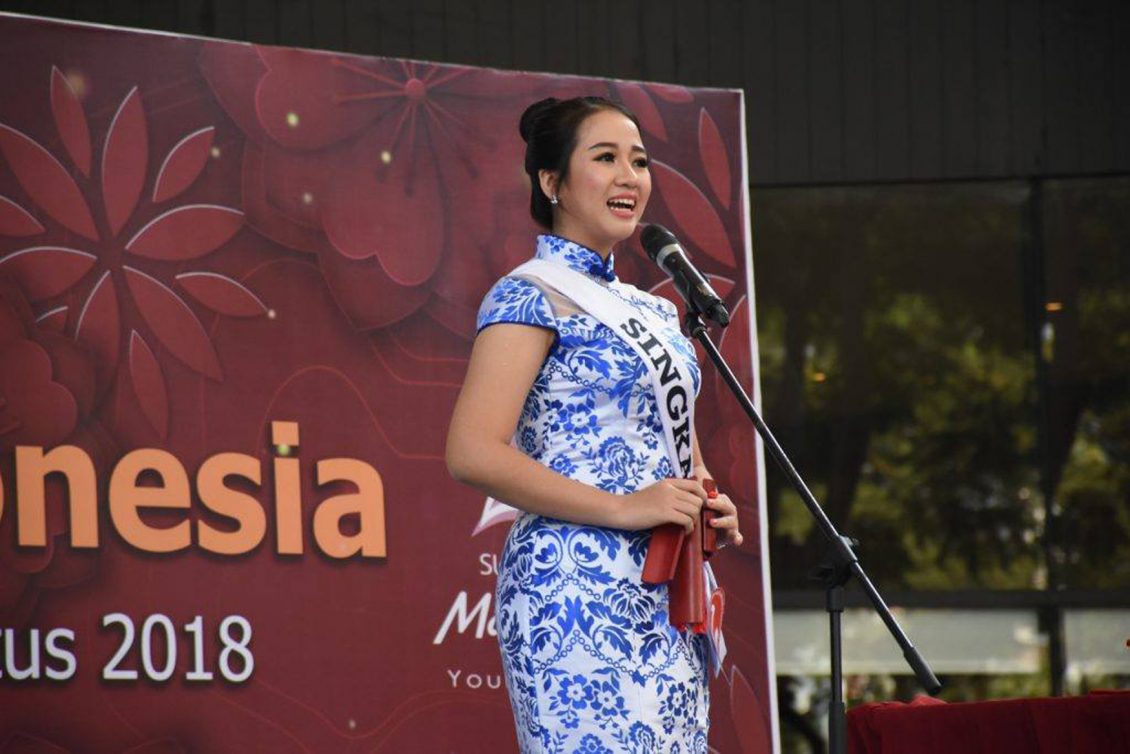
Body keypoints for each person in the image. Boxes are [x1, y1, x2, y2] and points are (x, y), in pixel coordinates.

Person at [446, 96, 742, 754]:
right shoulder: (530, 294)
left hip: (667, 590)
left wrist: (706, 499)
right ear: (550, 183)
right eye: (604, 158)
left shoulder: (658, 313)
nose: (628, 177)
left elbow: (668, 448)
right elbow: (471, 452)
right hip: (574, 590)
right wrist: (621, 507)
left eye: (638, 161)